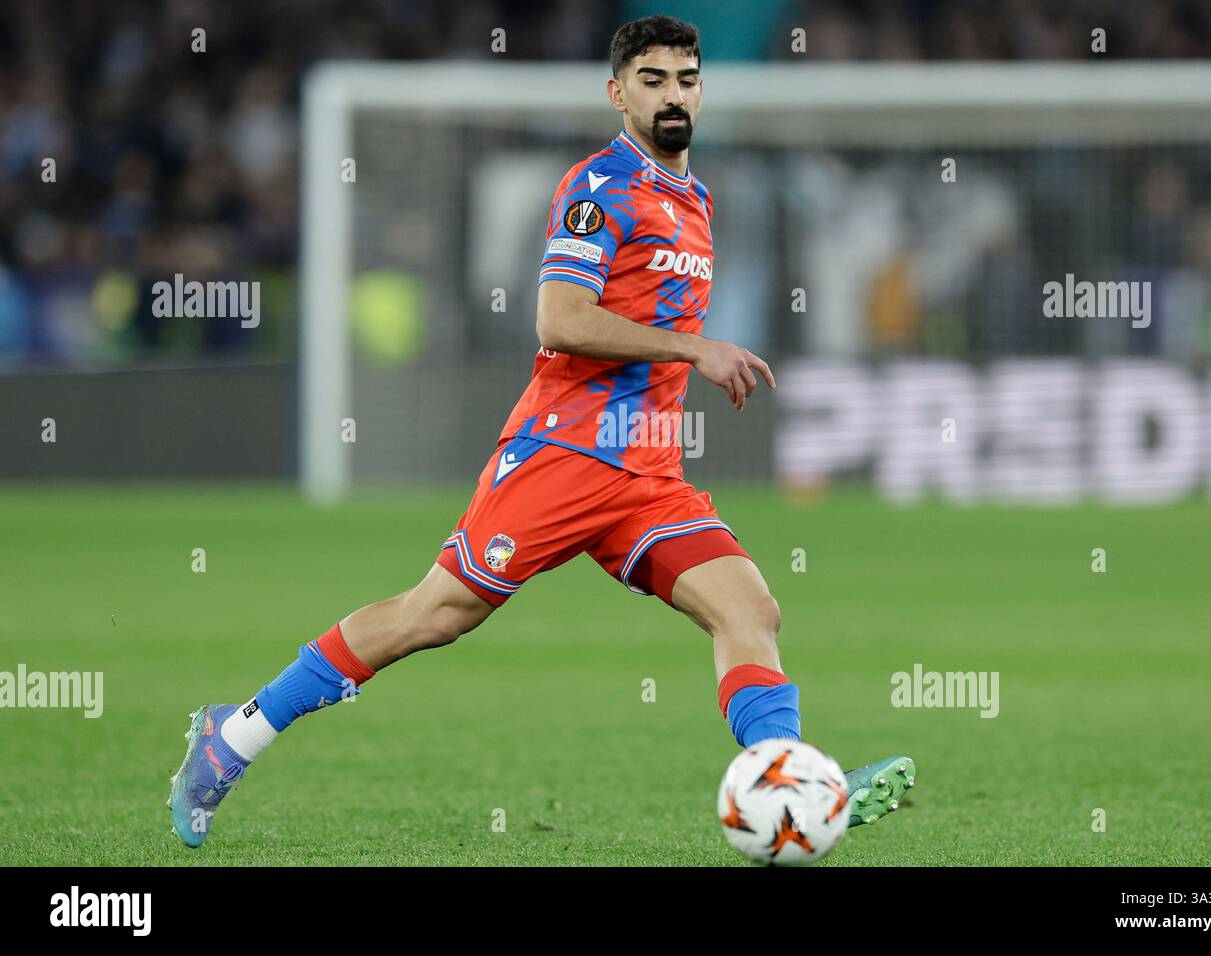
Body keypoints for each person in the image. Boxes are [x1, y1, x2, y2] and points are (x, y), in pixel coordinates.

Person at [169, 15, 914, 855]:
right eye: (653, 80)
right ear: (617, 92)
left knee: (751, 609)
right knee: (433, 617)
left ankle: (787, 781)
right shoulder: (598, 189)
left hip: (646, 473)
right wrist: (694, 346)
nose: (673, 95)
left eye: (687, 79)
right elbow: (560, 320)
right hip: (564, 454)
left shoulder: (696, 200)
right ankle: (231, 738)